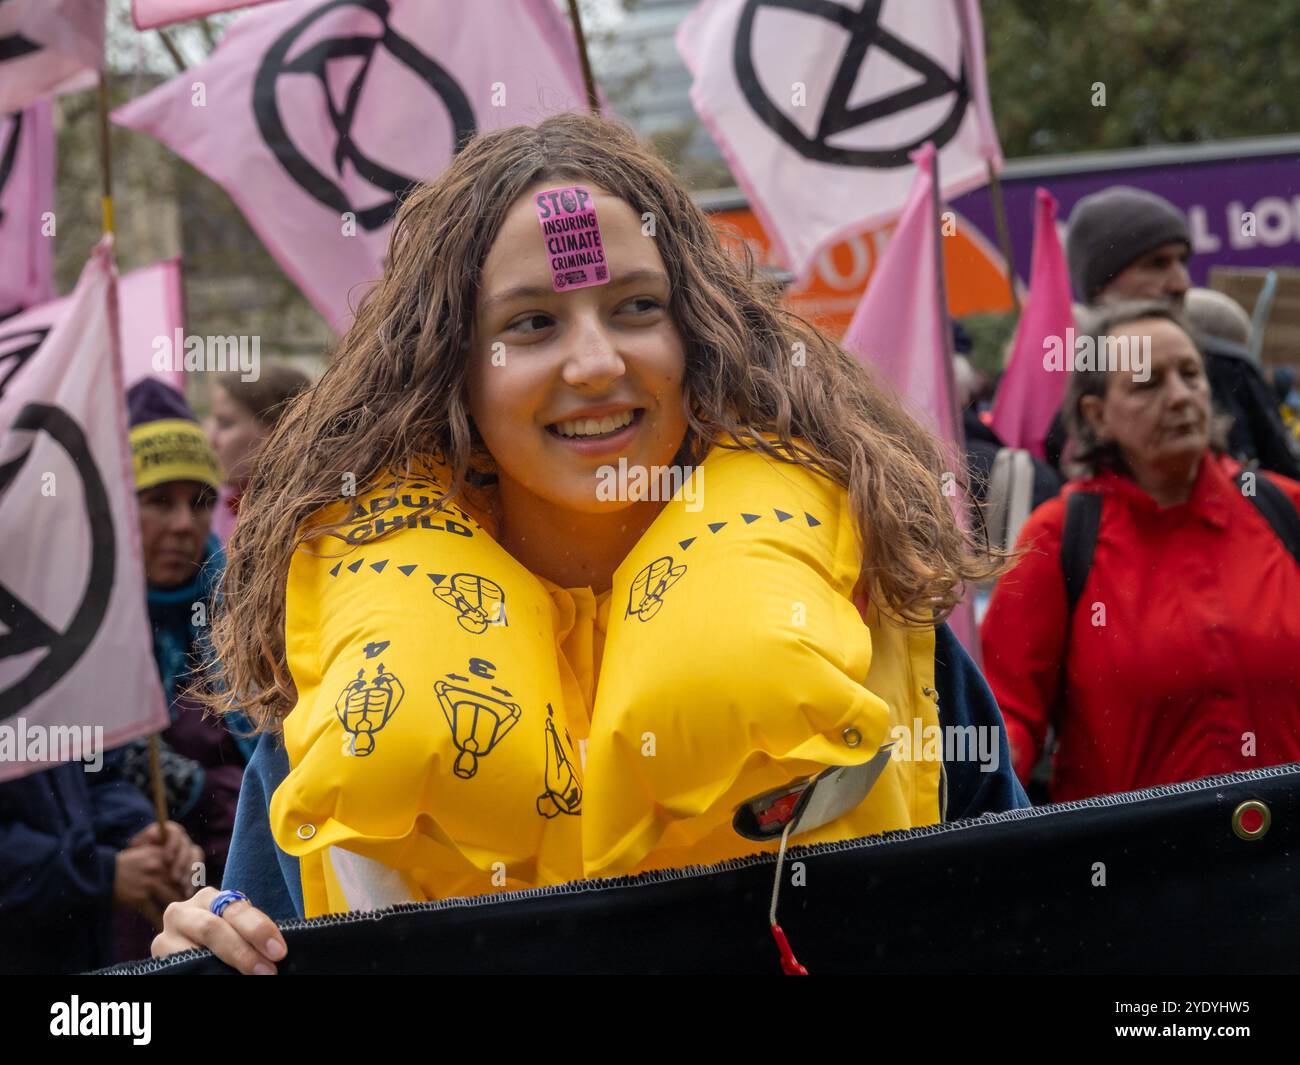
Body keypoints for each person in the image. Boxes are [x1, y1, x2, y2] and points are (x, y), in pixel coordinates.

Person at [153, 112, 1026, 972]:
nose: (598, 362)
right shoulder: (347, 684)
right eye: (532, 324)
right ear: (452, 367)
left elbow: (1038, 921)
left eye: (638, 307)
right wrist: (208, 950)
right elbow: (263, 938)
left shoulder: (859, 617)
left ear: (700, 334)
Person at [980, 301, 1300, 803]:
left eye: (1190, 375)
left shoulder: (1283, 508)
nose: (1179, 397)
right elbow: (1006, 718)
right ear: (1097, 415)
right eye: (1148, 384)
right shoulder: (1060, 537)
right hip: (1136, 866)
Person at [117, 381, 253, 896]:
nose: (183, 525)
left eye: (199, 503)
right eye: (158, 502)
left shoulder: (245, 601)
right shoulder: (86, 635)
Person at [1064, 185, 1300, 478]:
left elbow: (1286, 484)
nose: (1181, 283)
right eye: (1157, 264)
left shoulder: (1229, 370)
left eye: (1190, 375)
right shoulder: (1063, 383)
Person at [204, 365, 312, 543]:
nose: (211, 439)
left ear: (277, 433)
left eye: (226, 424)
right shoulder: (215, 505)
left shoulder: (308, 523)